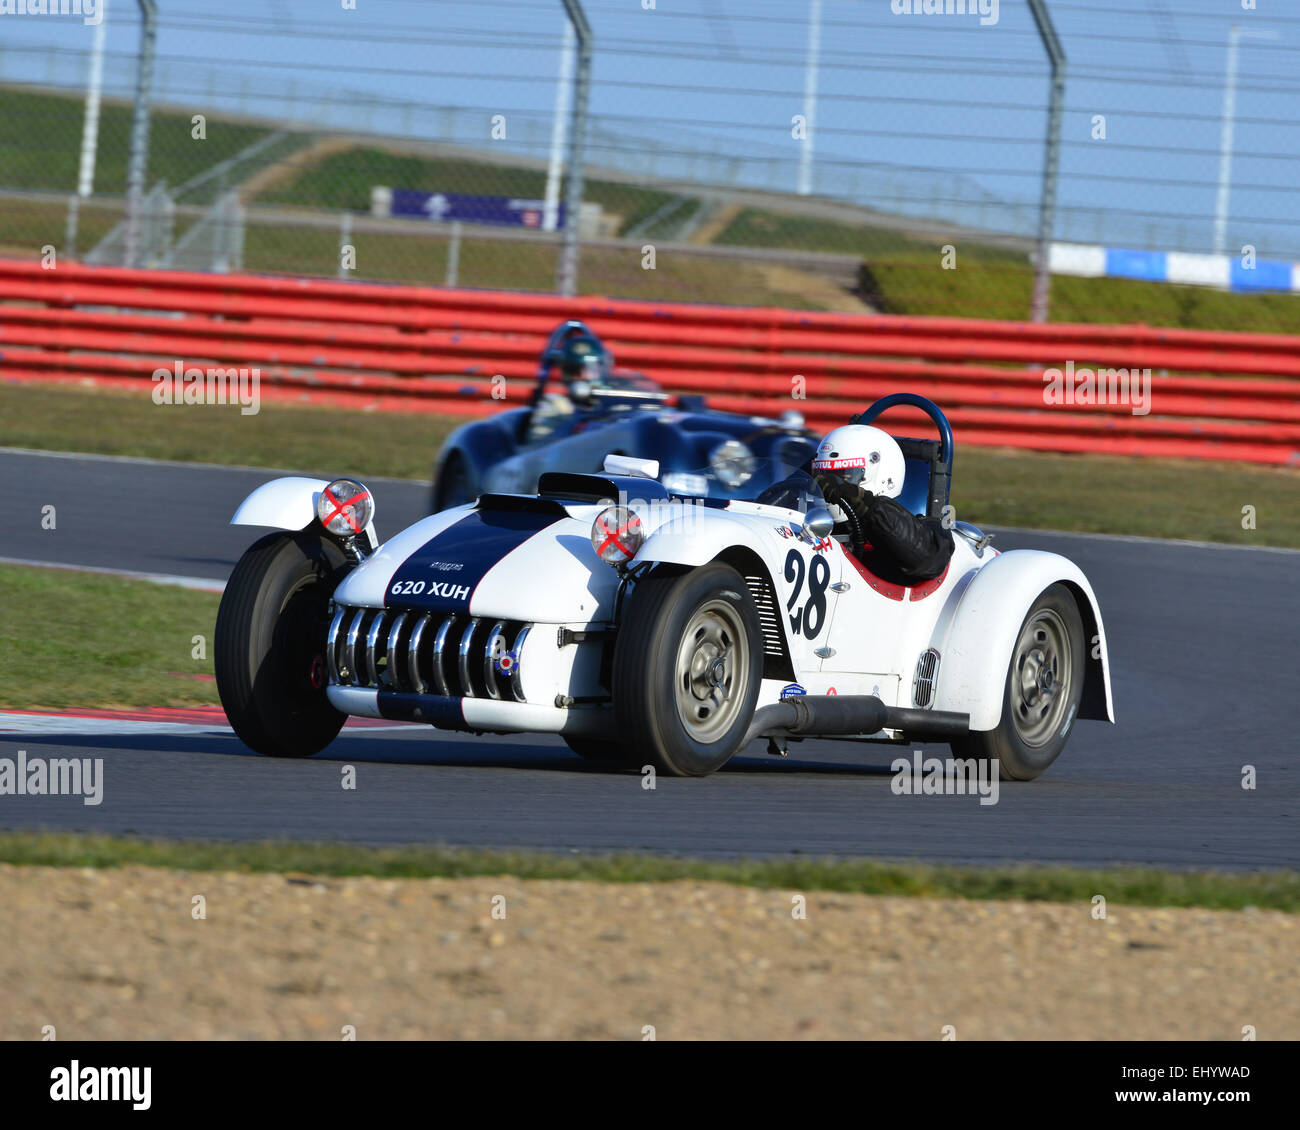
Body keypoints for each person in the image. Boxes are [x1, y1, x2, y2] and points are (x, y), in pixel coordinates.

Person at [800, 424, 954, 586]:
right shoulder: (812, 521)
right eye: (824, 476)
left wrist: (861, 500)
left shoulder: (927, 535)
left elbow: (928, 560)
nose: (829, 486)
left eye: (842, 476)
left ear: (884, 478)